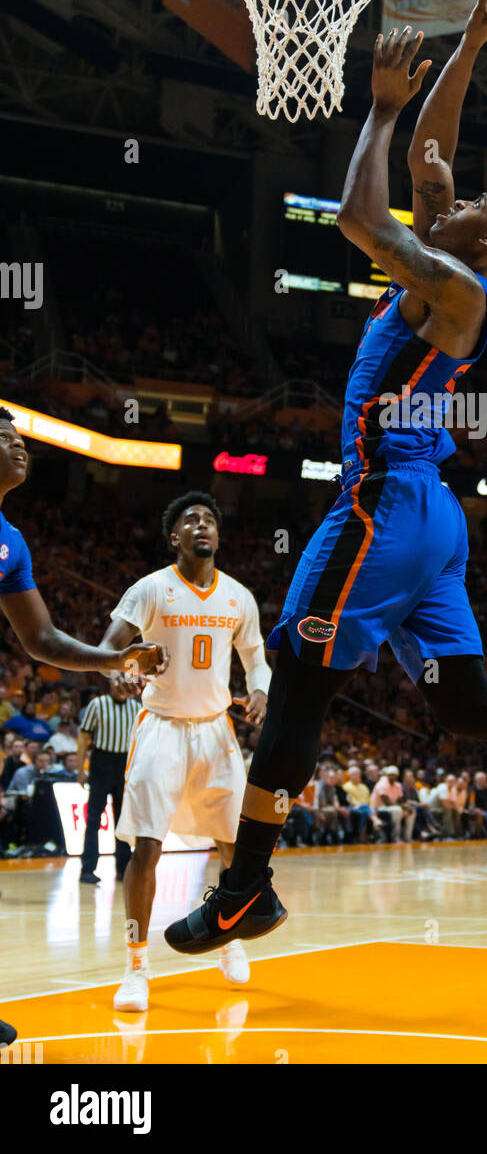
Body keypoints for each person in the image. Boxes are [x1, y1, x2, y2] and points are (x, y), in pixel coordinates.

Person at [164, 0, 487, 961]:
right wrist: (477, 43)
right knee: (462, 700)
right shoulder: (441, 272)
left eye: (468, 212)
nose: (447, 203)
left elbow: (359, 215)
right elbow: (430, 160)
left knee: (298, 683)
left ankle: (246, 888)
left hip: (383, 510)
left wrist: (375, 110)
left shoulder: (456, 287)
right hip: (432, 521)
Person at [0, 406, 164, 1050]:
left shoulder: (11, 541)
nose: (20, 448)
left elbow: (40, 638)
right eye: (6, 438)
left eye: (21, 440)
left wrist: (114, 659)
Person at [102, 491, 270, 1013]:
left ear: (218, 536)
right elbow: (111, 648)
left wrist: (261, 690)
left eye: (210, 520)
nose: (202, 526)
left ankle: (229, 937)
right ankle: (135, 967)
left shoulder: (239, 597)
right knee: (145, 847)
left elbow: (256, 659)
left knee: (233, 848)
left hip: (217, 732)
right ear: (173, 536)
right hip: (162, 728)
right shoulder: (150, 589)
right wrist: (117, 672)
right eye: (190, 520)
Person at [77, 679, 140, 885]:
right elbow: (84, 737)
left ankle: (123, 868)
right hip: (101, 762)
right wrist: (80, 769)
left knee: (123, 819)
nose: (119, 686)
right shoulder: (98, 704)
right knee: (94, 817)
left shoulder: (137, 707)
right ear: (110, 684)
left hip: (125, 764)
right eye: (115, 681)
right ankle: (88, 868)